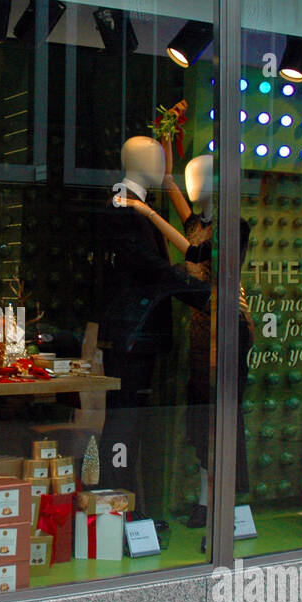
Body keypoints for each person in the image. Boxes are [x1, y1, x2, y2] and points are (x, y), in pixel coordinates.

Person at [98, 135, 210, 500]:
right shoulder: (122, 205)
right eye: (158, 159)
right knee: (124, 421)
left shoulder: (135, 205)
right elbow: (149, 267)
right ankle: (118, 501)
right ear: (142, 162)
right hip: (134, 335)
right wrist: (205, 296)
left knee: (132, 422)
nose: (164, 168)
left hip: (140, 335)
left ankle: (128, 500)